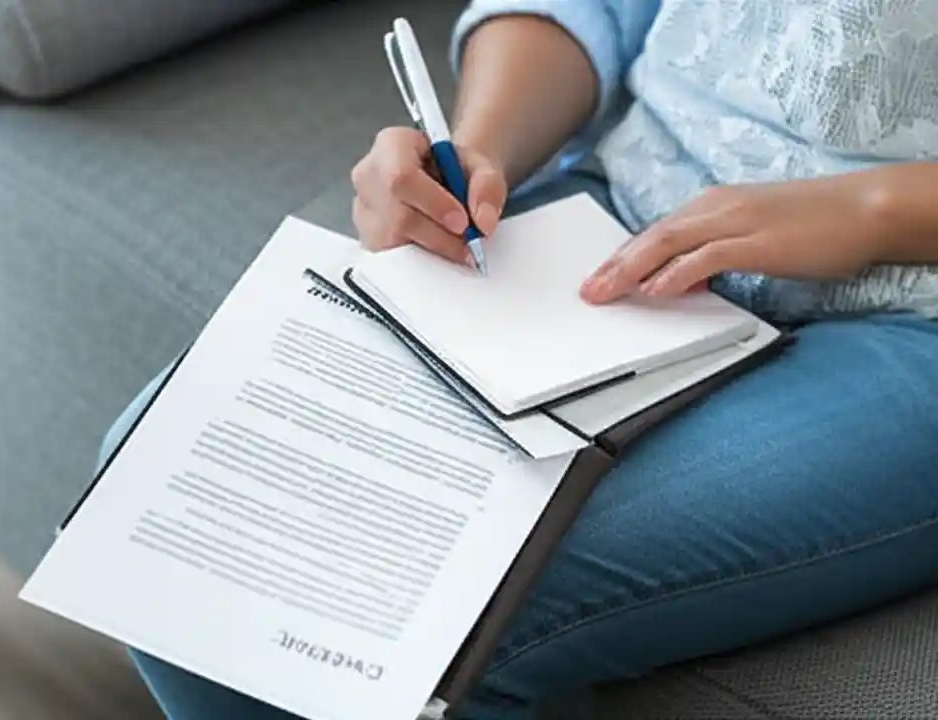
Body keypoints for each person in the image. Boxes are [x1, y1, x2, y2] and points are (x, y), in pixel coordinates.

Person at [100, 2, 938, 718]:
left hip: (908, 314)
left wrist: (870, 208)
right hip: (631, 208)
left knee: (438, 613)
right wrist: (474, 150)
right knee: (170, 476)